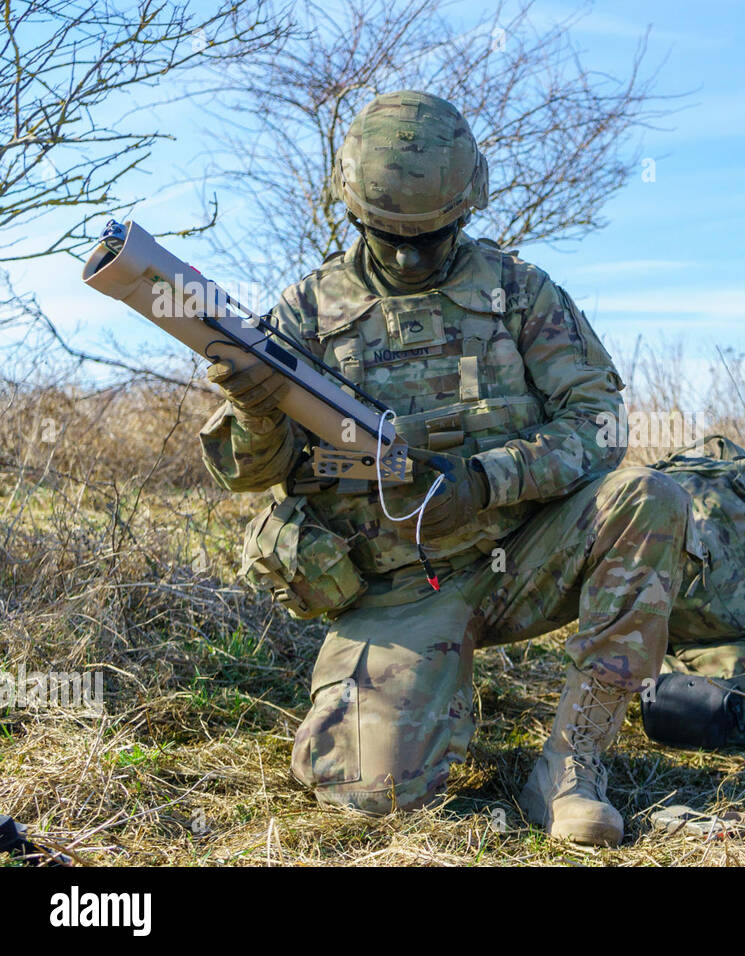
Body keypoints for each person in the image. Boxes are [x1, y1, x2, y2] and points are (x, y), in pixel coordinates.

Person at [198, 90, 690, 847]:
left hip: (520, 559)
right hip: (395, 590)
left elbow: (601, 422)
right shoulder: (305, 313)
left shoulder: (520, 294)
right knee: (375, 794)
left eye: (429, 238)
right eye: (387, 235)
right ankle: (424, 693)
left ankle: (571, 762)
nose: (406, 258)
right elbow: (250, 473)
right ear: (350, 210)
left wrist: (487, 480)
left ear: (469, 207)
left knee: (648, 498)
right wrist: (258, 409)